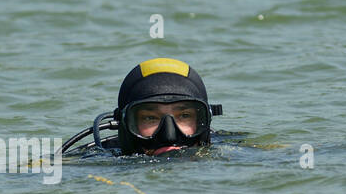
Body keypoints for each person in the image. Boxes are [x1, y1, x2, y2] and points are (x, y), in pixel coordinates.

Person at [60, 58, 230, 156]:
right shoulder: (99, 159)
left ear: (203, 120)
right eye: (150, 118)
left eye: (184, 115)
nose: (169, 136)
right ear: (126, 124)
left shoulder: (231, 153)